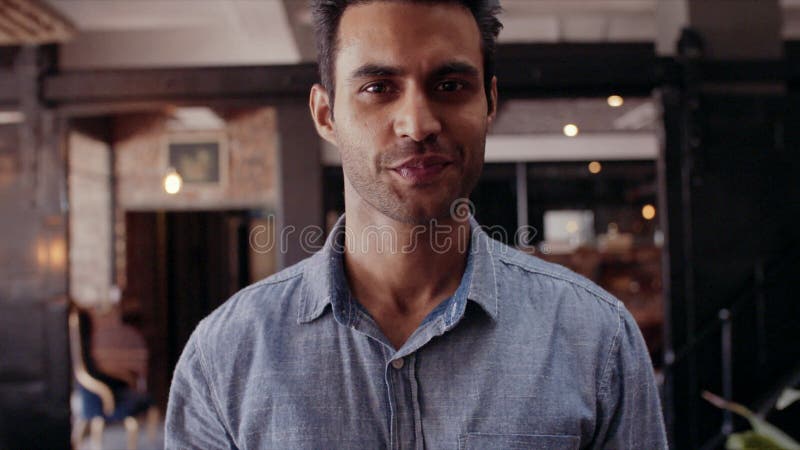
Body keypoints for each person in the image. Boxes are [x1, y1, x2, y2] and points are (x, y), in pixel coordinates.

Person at [165, 0, 668, 448]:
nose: (418, 123)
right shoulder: (227, 355)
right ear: (325, 114)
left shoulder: (595, 338)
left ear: (489, 101)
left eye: (450, 86)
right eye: (378, 87)